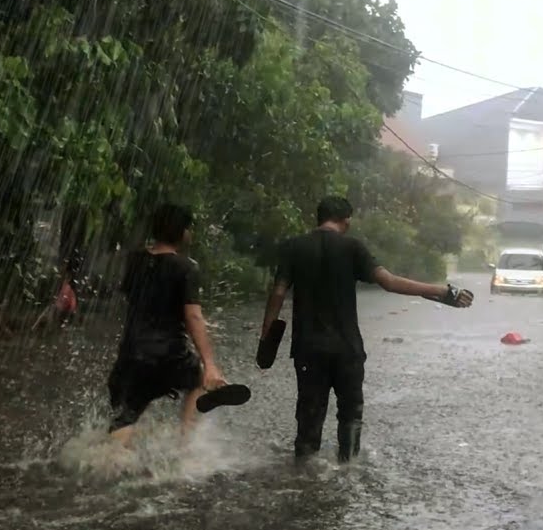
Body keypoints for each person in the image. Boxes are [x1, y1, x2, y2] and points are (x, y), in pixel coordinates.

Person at [261, 196, 473, 463]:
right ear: (346, 219)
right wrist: (442, 291)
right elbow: (390, 282)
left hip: (308, 349)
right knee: (350, 414)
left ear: (319, 217)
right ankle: (347, 468)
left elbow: (278, 293)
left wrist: (266, 332)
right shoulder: (352, 247)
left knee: (309, 415)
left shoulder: (293, 247)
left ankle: (305, 471)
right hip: (347, 349)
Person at [106, 203, 246, 448]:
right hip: (168, 356)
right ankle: (184, 445)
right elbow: (192, 317)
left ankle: (106, 464)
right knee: (200, 378)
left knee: (127, 415)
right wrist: (211, 364)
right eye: (188, 228)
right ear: (182, 232)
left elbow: (140, 301)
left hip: (131, 354)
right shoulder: (185, 267)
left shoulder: (134, 261)